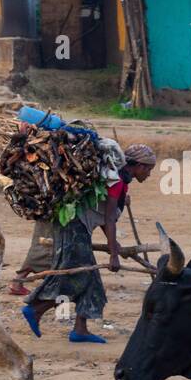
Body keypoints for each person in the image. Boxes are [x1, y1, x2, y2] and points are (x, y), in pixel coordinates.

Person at [22, 143, 156, 343]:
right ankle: (35, 309)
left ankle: (80, 330)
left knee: (91, 282)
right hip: (73, 229)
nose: (149, 174)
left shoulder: (118, 180)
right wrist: (113, 255)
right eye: (149, 169)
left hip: (77, 228)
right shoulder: (117, 181)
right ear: (140, 166)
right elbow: (109, 218)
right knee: (78, 277)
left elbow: (101, 215)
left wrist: (114, 244)